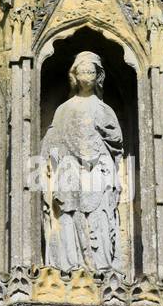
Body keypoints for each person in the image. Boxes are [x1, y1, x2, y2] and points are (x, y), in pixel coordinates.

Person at [42, 52, 123, 273]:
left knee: (101, 214)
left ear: (98, 76)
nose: (87, 74)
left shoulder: (105, 110)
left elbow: (116, 142)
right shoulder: (64, 110)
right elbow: (53, 141)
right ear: (74, 75)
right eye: (82, 70)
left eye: (91, 70)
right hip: (70, 172)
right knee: (68, 212)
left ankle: (101, 264)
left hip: (98, 170)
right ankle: (70, 264)